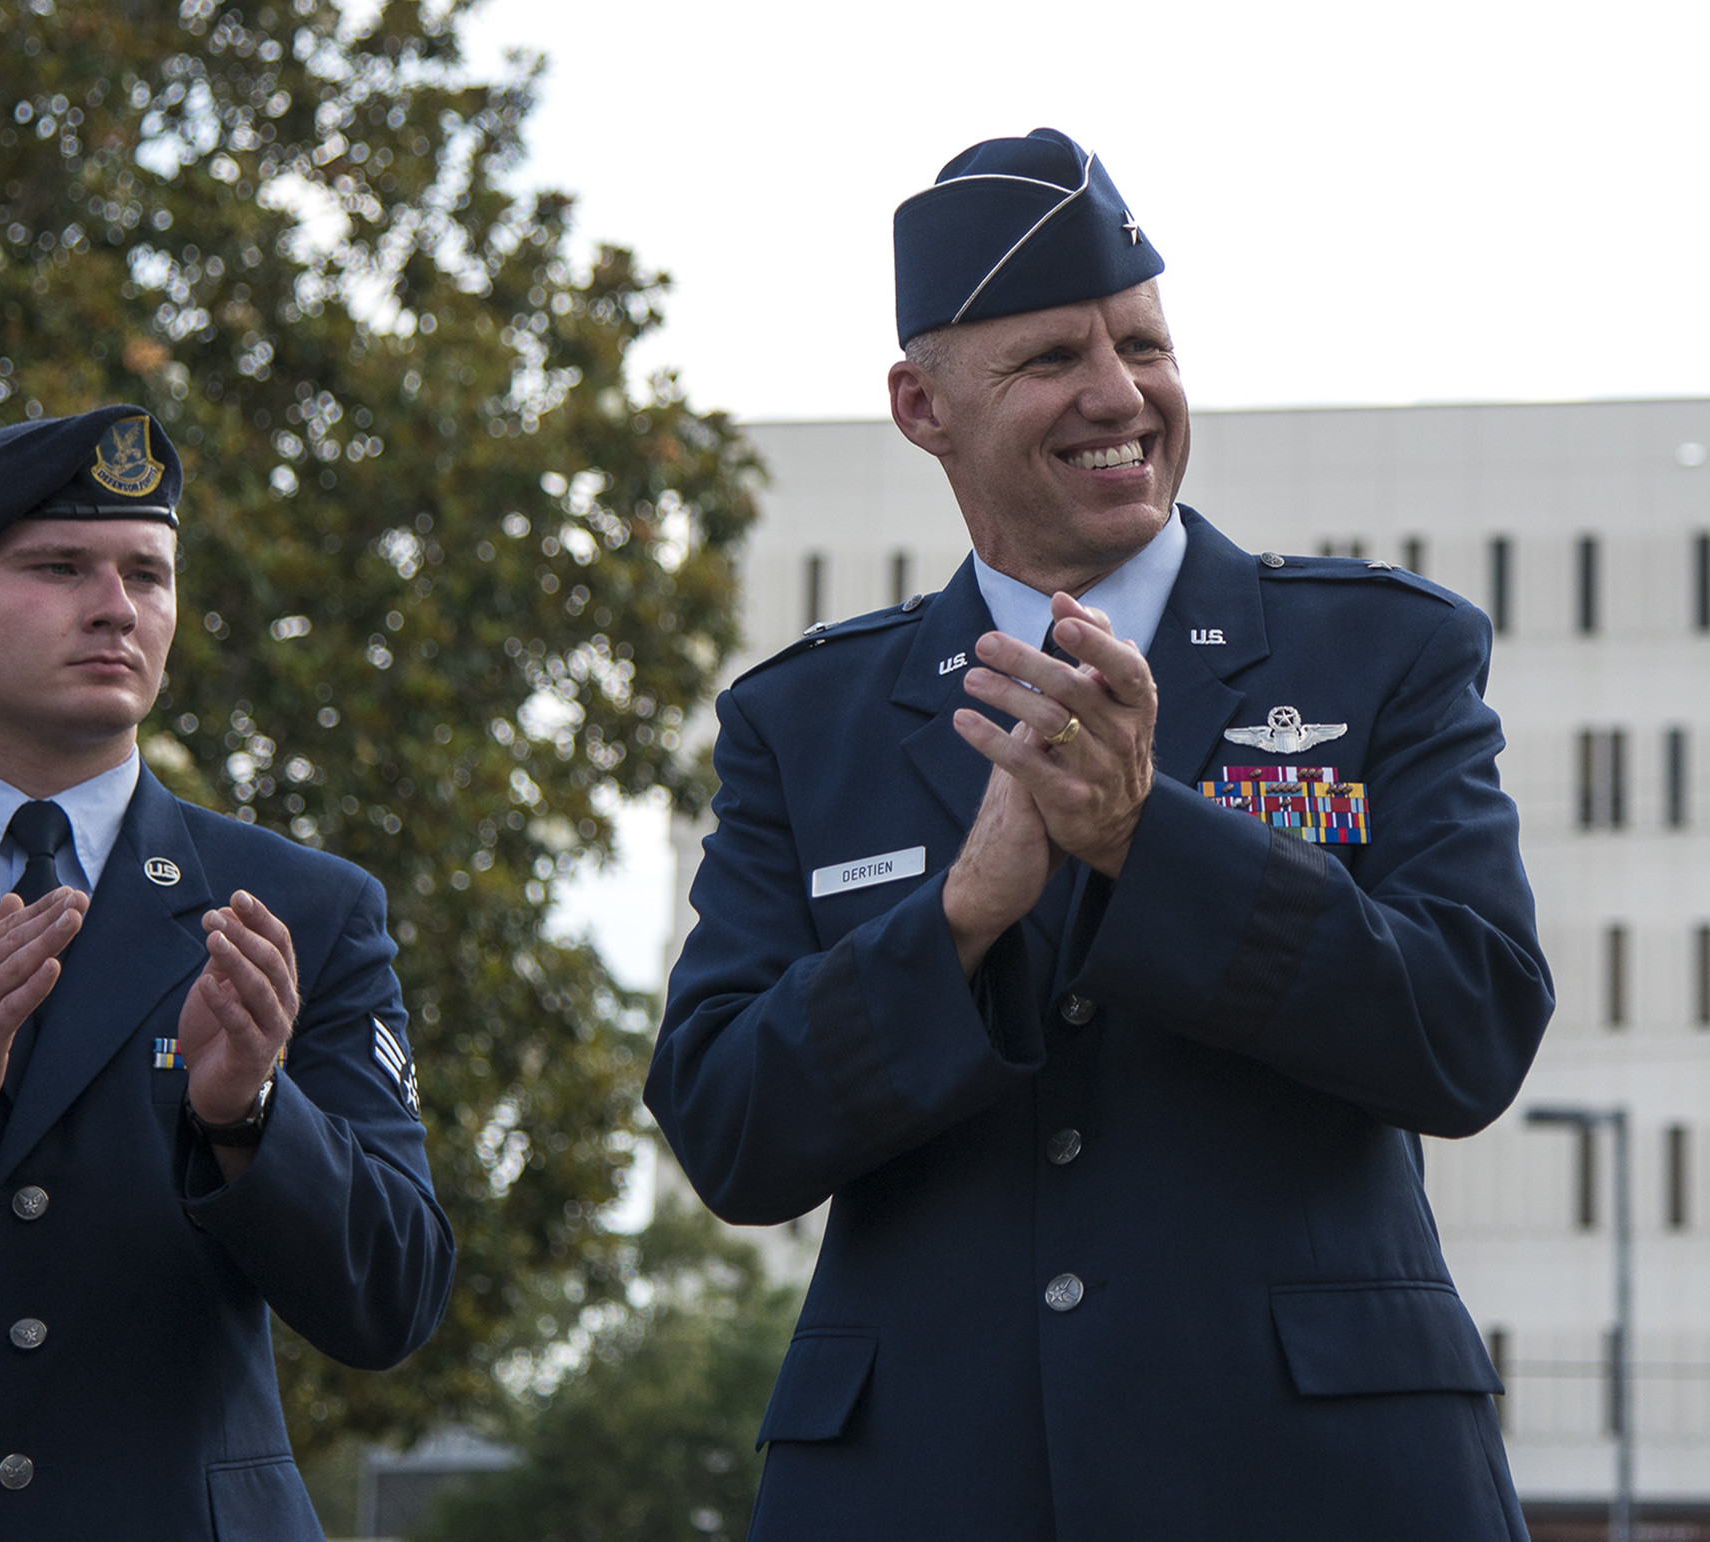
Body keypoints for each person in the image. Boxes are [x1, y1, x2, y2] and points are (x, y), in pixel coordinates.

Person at [648, 128, 1551, 1540]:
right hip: (928, 1487)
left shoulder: (1379, 654)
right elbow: (726, 1128)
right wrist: (953, 924)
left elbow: (1469, 1030)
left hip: (1314, 1488)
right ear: (922, 404)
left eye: (1144, 342)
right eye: (1051, 359)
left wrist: (1152, 844)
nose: (1120, 394)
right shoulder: (806, 719)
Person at [0, 405, 453, 1538]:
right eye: (58, 567)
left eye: (148, 577)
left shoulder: (305, 905)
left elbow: (393, 1299)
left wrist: (251, 1118)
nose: (117, 608)